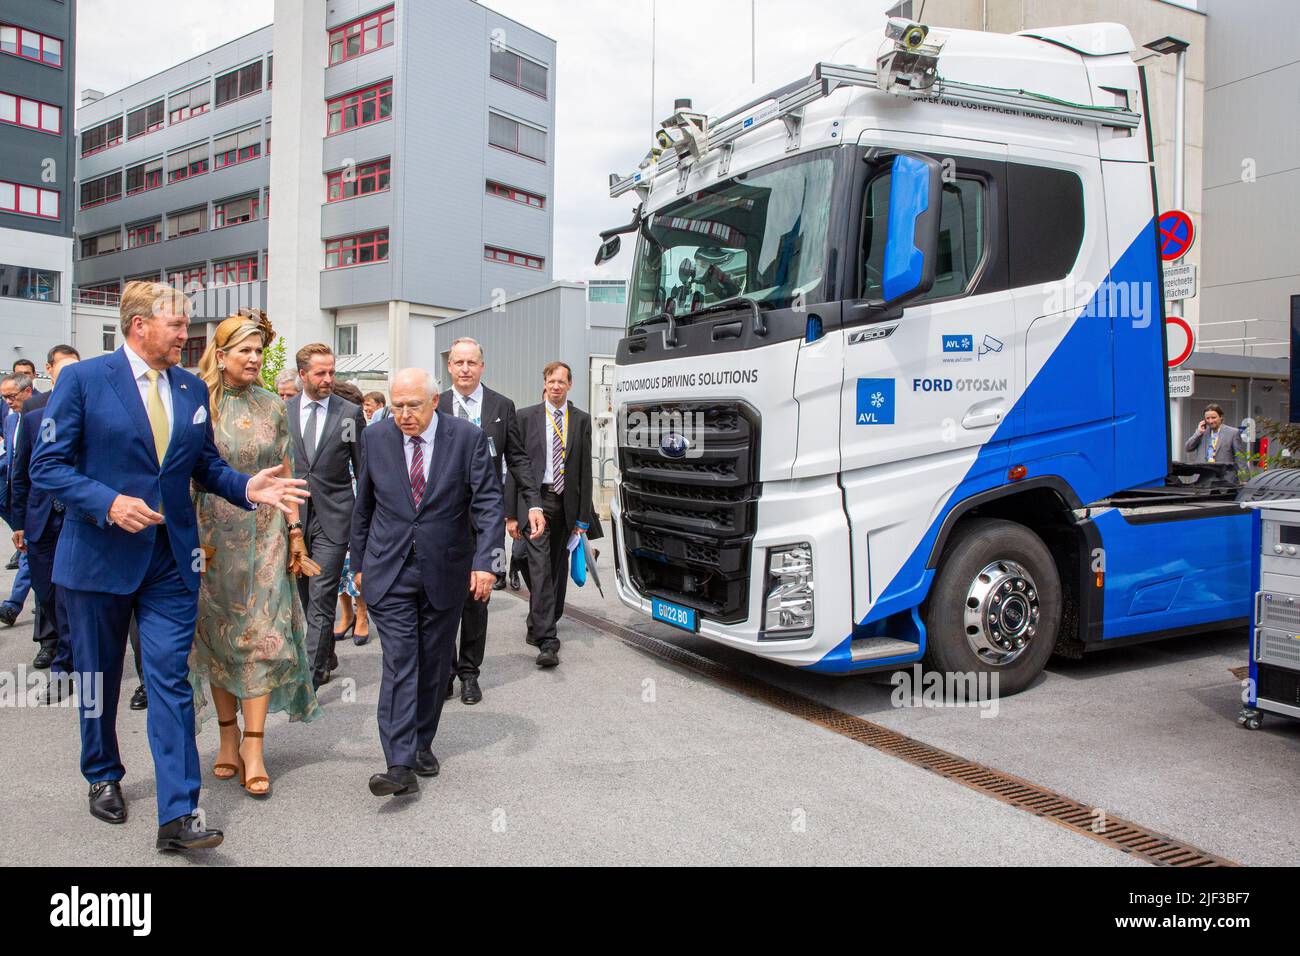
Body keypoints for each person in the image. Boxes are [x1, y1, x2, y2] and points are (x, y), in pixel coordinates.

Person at [30, 281, 308, 852]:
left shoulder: (188, 388)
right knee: (99, 680)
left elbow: (203, 465)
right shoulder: (83, 381)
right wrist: (106, 502)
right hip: (98, 559)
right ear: (139, 326)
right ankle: (102, 772)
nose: (188, 336)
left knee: (171, 682)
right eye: (178, 327)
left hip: (170, 563)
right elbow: (48, 465)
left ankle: (179, 814)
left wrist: (248, 487)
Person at [350, 368, 504, 797]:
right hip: (389, 568)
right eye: (397, 406)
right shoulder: (376, 438)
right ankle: (398, 763)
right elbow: (364, 505)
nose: (403, 415)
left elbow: (489, 503)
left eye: (412, 405)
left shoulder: (467, 439)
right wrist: (358, 563)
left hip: (445, 569)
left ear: (434, 402)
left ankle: (421, 743)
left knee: (435, 665)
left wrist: (487, 562)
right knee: (400, 660)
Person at [190, 312, 322, 798]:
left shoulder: (273, 405)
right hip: (211, 541)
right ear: (220, 355)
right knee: (218, 640)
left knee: (263, 638)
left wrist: (294, 530)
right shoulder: (198, 403)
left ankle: (253, 745)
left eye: (259, 351)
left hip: (265, 536)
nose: (253, 358)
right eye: (243, 350)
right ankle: (226, 736)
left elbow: (284, 469)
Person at [439, 338, 542, 704]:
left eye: (472, 362)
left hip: (486, 516)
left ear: (482, 366)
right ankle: (445, 671)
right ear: (449, 367)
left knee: (477, 597)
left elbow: (518, 458)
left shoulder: (501, 405)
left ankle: (469, 673)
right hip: (443, 518)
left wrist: (532, 502)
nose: (465, 368)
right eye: (458, 362)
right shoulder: (437, 406)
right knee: (442, 598)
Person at [288, 344, 367, 688]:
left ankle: (309, 678)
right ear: (303, 374)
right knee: (306, 597)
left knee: (321, 596)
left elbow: (363, 470)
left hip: (335, 519)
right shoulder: (283, 411)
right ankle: (327, 654)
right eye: (320, 373)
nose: (328, 379)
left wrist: (365, 523)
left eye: (332, 372)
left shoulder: (349, 413)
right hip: (294, 521)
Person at [505, 362, 593, 668]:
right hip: (534, 499)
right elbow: (515, 467)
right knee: (538, 566)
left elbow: (585, 470)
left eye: (562, 381)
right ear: (544, 383)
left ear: (570, 385)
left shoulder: (581, 419)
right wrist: (511, 514)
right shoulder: (525, 417)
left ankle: (540, 619)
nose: (556, 386)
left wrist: (584, 518)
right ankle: (547, 639)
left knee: (556, 566)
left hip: (566, 502)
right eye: (551, 381)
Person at [10, 346, 80, 693]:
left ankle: (65, 665)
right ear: (49, 371)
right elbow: (21, 472)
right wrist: (20, 522)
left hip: (76, 520)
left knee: (70, 595)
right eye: (62, 370)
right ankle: (51, 643)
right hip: (41, 520)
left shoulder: (91, 412)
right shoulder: (34, 413)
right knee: (46, 592)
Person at [0, 372, 35, 630]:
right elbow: (12, 460)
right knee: (27, 549)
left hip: (39, 501)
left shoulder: (39, 420)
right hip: (17, 497)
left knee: (28, 551)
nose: (8, 402)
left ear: (28, 391)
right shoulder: (11, 421)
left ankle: (13, 605)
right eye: (4, 398)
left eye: (11, 396)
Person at [1185, 404, 1246, 472]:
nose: (1210, 421)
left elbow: (1240, 458)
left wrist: (1245, 478)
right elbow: (1188, 448)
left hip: (1224, 476)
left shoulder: (1233, 433)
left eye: (1213, 417)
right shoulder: (1202, 432)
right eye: (1207, 418)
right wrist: (1198, 433)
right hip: (1203, 476)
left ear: (1221, 417)